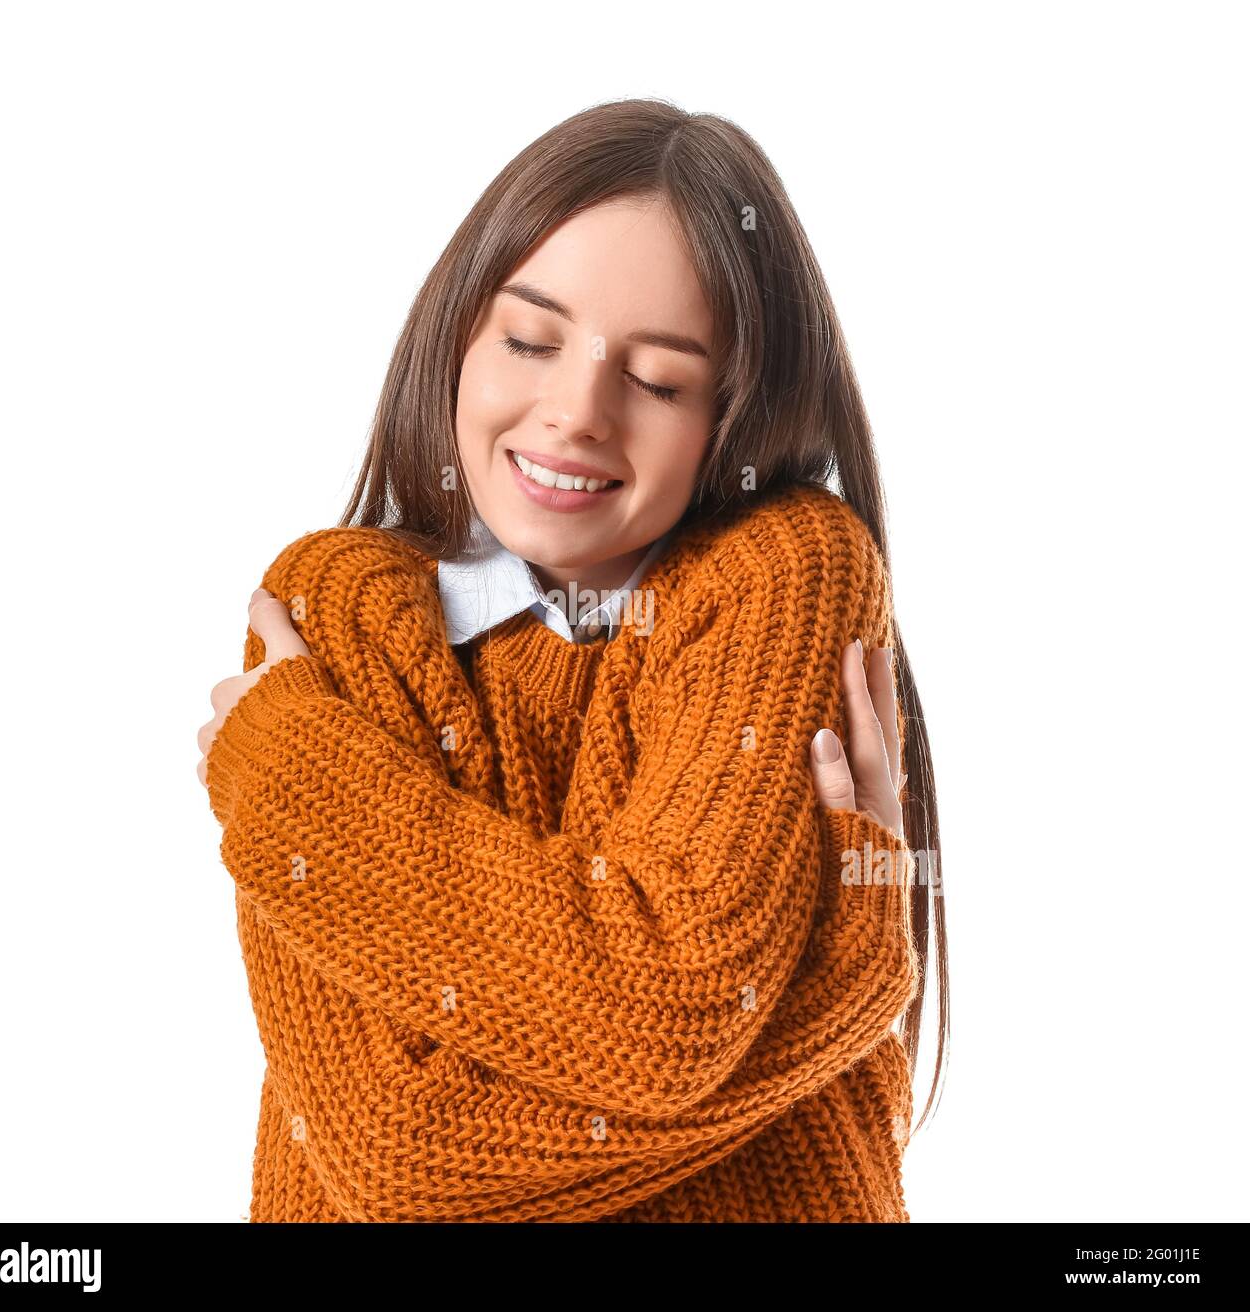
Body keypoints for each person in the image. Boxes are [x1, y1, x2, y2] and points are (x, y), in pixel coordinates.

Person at [196, 97, 946, 1222]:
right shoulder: (329, 611)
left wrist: (306, 794)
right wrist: (842, 976)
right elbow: (403, 1155)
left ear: (735, 419)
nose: (575, 412)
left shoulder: (780, 571)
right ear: (456, 331)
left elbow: (674, 1002)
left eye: (656, 381)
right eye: (530, 340)